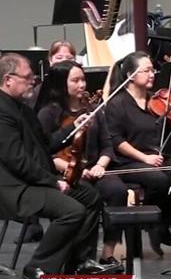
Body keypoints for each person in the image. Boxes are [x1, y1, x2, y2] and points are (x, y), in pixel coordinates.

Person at [0, 53, 121, 279]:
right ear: (8, 79)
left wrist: (72, 130)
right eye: (27, 77)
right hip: (11, 188)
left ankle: (80, 261)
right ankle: (38, 265)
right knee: (72, 210)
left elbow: (44, 145)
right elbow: (18, 162)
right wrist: (53, 181)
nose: (33, 81)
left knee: (90, 196)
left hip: (28, 180)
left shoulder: (22, 108)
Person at [36, 61, 130, 267]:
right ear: (62, 84)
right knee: (88, 196)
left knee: (117, 191)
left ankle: (107, 254)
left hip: (94, 169)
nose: (81, 84)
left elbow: (107, 146)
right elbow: (45, 152)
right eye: (75, 80)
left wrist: (101, 166)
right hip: (66, 172)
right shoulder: (49, 113)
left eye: (83, 79)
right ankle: (81, 257)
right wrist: (76, 168)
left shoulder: (94, 109)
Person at [103, 52, 171, 256]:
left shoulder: (154, 100)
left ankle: (160, 224)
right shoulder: (117, 103)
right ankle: (152, 222)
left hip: (154, 158)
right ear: (130, 75)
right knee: (159, 179)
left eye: (152, 70)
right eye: (146, 70)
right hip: (126, 162)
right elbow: (116, 141)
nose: (152, 74)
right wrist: (144, 158)